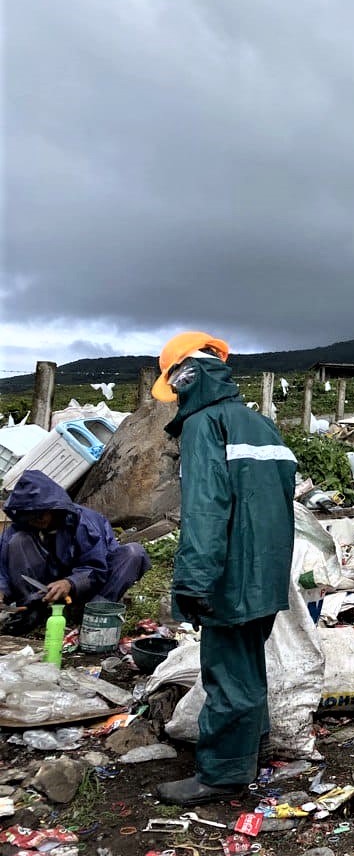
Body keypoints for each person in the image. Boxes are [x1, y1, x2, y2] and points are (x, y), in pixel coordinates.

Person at [150, 332, 297, 806]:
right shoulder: (258, 423)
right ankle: (253, 749)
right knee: (247, 668)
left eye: (173, 386)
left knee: (228, 675)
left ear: (185, 377)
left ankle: (223, 775)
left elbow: (206, 511)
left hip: (229, 577)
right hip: (267, 573)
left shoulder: (203, 426)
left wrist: (193, 582)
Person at [0, 470, 151, 635]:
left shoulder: (83, 523)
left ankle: (94, 612)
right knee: (18, 540)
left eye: (41, 513)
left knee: (134, 553)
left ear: (52, 507)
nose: (38, 519)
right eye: (31, 516)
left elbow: (96, 568)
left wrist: (70, 582)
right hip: (47, 589)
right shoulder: (21, 527)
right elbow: (3, 566)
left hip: (91, 585)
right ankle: (33, 610)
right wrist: (1, 591)